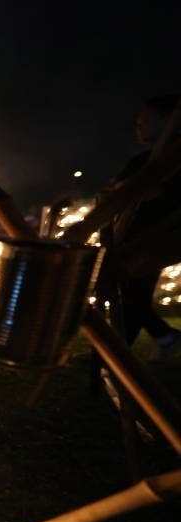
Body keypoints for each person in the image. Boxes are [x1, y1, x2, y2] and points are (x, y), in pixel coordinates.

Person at [102, 93, 181, 361]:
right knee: (131, 295)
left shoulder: (173, 162)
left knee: (131, 294)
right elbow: (117, 188)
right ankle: (157, 339)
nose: (139, 125)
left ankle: (117, 354)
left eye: (146, 120)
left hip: (155, 239)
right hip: (129, 235)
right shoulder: (144, 161)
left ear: (168, 122)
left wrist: (152, 192)